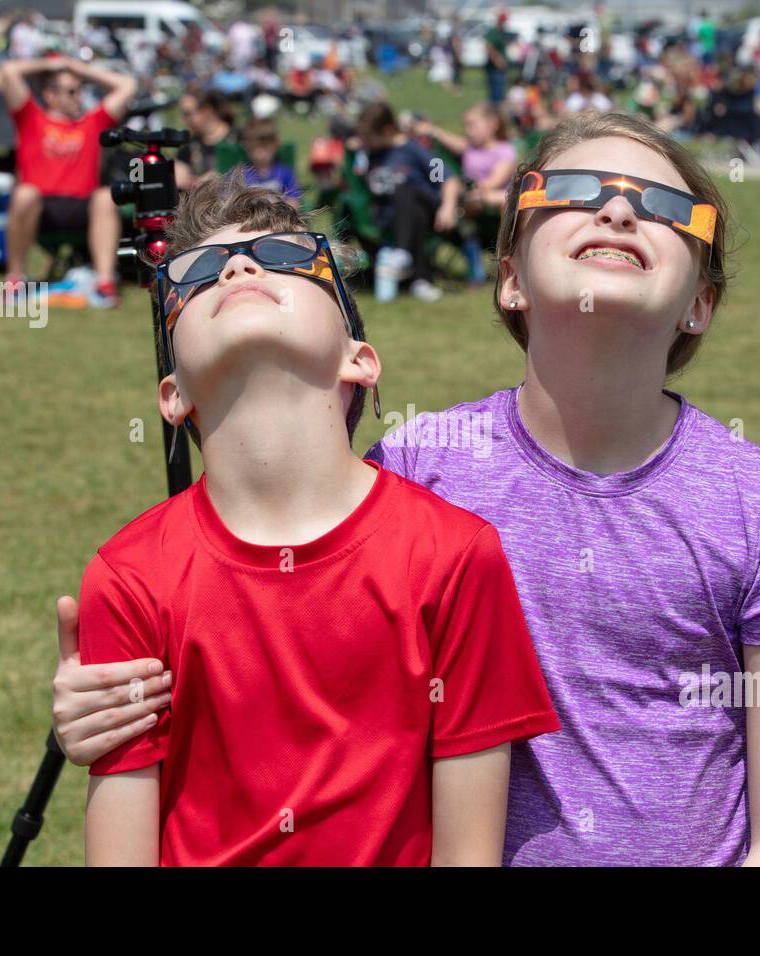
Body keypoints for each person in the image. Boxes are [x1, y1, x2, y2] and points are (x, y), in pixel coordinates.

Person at [55, 112, 760, 866]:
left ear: (702, 303)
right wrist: (107, 701)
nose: (617, 212)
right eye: (576, 193)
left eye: (666, 209)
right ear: (509, 278)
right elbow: (269, 607)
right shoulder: (420, 464)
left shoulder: (759, 497)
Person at [78, 173, 560, 865]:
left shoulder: (456, 557)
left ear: (358, 359)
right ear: (171, 393)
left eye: (284, 259)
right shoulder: (127, 577)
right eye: (198, 273)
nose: (240, 267)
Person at [0, 55, 137, 307]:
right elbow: (9, 70)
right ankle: (15, 278)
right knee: (24, 194)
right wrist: (50, 65)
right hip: (40, 210)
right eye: (72, 91)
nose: (79, 97)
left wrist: (80, 69)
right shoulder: (31, 117)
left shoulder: (92, 121)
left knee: (105, 197)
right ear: (50, 95)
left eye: (81, 90)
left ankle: (104, 283)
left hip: (80, 208)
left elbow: (128, 85)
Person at [357, 102, 456, 302]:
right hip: (392, 215)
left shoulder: (411, 149)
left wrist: (448, 206)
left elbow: (445, 176)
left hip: (427, 206)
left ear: (386, 130)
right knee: (413, 212)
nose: (364, 141)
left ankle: (402, 254)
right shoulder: (370, 155)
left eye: (368, 137)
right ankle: (420, 281)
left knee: (405, 189)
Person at [413, 103, 517, 285]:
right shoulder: (469, 148)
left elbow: (494, 182)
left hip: (496, 203)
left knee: (501, 198)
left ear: (493, 124)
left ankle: (505, 255)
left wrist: (474, 189)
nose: (468, 130)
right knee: (468, 213)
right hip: (472, 202)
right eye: (466, 125)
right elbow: (447, 139)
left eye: (473, 125)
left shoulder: (505, 151)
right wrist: (431, 130)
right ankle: (477, 268)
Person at [175, 88, 236, 188]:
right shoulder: (188, 147)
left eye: (188, 114)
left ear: (206, 110)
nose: (184, 120)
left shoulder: (241, 139)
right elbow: (180, 179)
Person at [238, 117, 300, 205]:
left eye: (265, 146)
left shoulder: (285, 172)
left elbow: (294, 201)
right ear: (247, 146)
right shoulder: (240, 174)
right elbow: (227, 200)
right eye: (255, 146)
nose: (260, 151)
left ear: (275, 145)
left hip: (280, 216)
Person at [484, 11, 511, 106]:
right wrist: (497, 60)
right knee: (496, 93)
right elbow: (488, 47)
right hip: (494, 68)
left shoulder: (501, 33)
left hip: (499, 68)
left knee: (500, 91)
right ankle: (495, 113)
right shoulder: (494, 32)